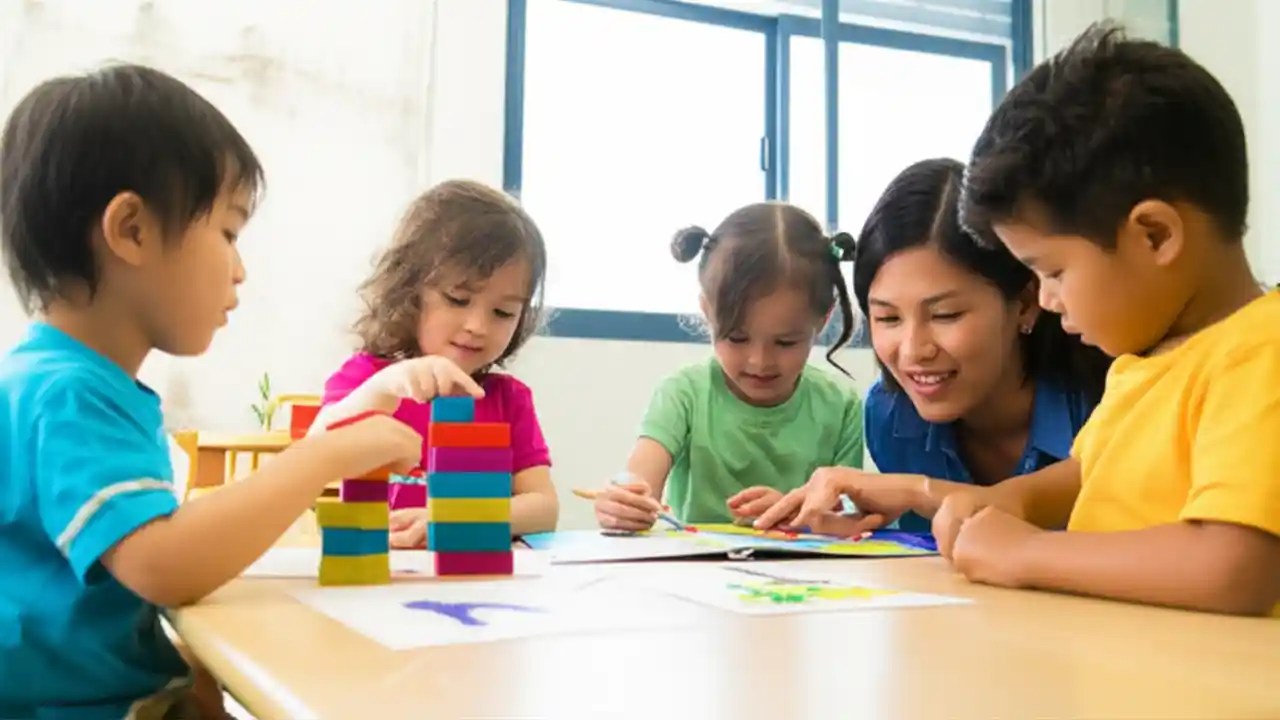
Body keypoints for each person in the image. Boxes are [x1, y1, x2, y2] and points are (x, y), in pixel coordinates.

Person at [765, 24, 1280, 616]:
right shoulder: (1150, 362)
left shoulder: (1257, 350)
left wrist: (1027, 554)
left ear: (1155, 235)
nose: (1052, 301)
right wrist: (1009, 503)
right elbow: (1087, 476)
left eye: (1053, 272)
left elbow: (1234, 568)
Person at [0, 65, 420, 717]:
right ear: (132, 231)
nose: (241, 269)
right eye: (228, 231)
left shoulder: (55, 379)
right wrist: (323, 459)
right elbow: (163, 562)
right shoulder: (70, 393)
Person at [758, 157, 1109, 533]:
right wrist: (851, 524)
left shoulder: (1109, 399)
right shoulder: (891, 416)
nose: (912, 351)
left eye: (945, 315)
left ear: (1024, 303)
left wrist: (920, 492)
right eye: (888, 318)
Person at [592, 202, 864, 531]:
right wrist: (623, 502)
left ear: (822, 319)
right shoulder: (684, 394)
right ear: (708, 311)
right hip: (696, 577)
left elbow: (852, 516)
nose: (760, 362)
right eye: (736, 337)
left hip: (808, 575)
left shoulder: (842, 406)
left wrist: (797, 512)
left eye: (786, 342)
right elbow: (638, 479)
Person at [314, 180, 559, 542]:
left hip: (473, 587)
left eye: (503, 312)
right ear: (409, 290)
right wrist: (384, 388)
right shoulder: (368, 378)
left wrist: (454, 519)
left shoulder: (508, 400)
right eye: (458, 300)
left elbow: (543, 507)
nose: (477, 326)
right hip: (376, 577)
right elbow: (313, 452)